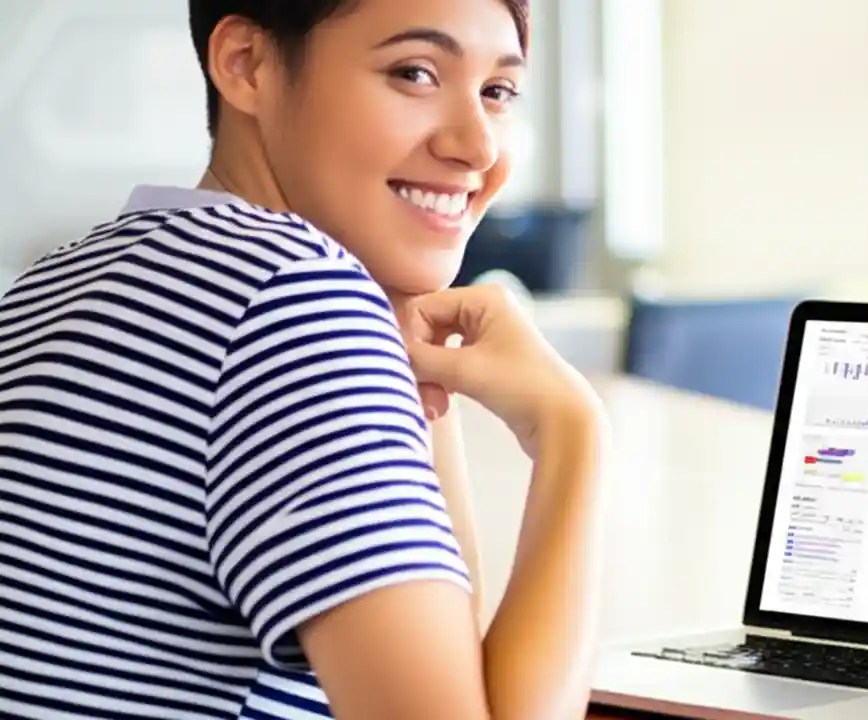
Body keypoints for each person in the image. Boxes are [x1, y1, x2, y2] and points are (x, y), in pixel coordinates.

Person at [0, 0, 607, 718]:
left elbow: (445, 672)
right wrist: (573, 434)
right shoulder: (292, 300)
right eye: (414, 73)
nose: (477, 145)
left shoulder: (54, 281)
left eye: (497, 92)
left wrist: (397, 341)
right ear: (246, 64)